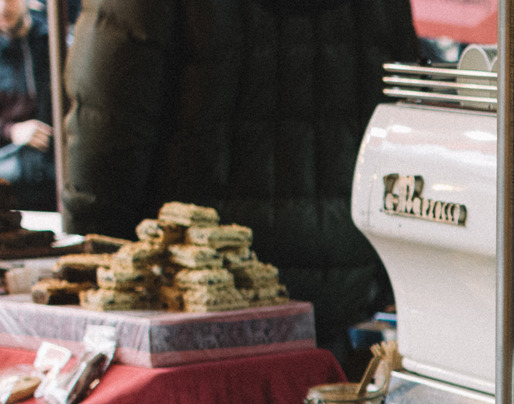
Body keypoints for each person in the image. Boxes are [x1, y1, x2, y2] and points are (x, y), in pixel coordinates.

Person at [60, 0, 419, 357]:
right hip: (333, 293)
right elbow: (404, 123)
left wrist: (103, 271)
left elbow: (105, 136)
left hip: (185, 304)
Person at [0, 0, 54, 211]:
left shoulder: (51, 42)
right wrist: (11, 131)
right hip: (8, 161)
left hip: (48, 163)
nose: (3, 7)